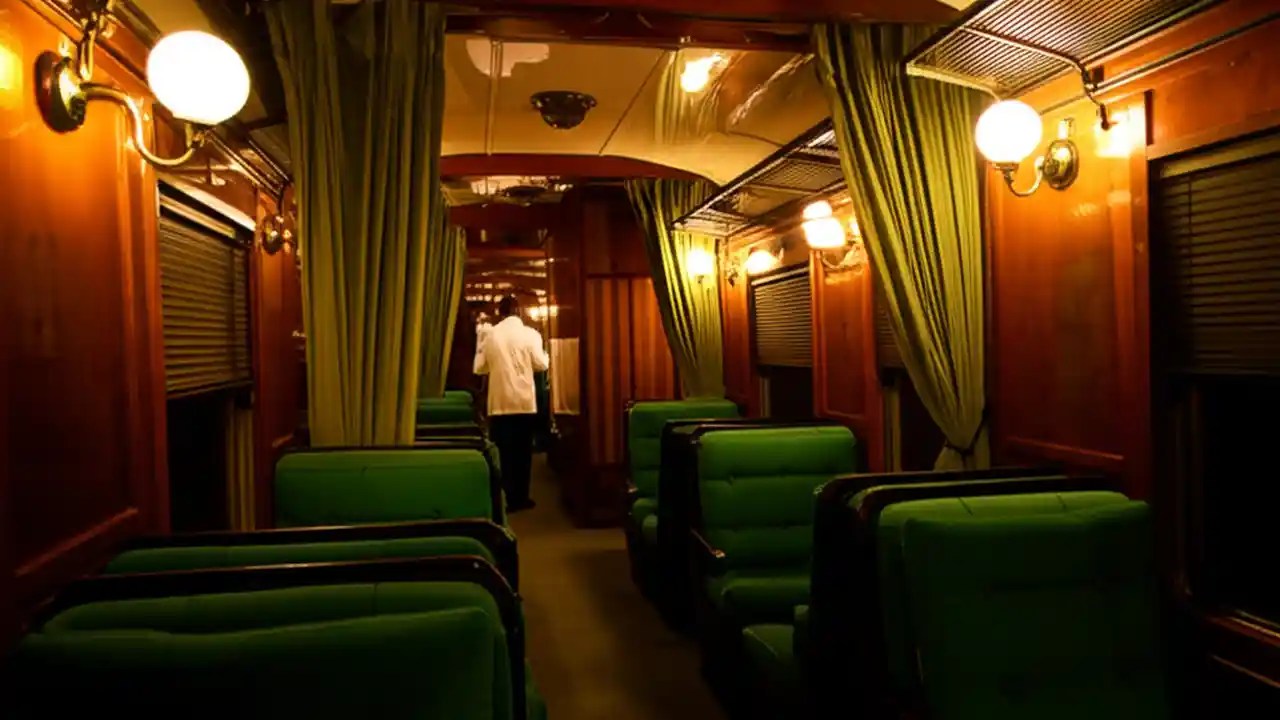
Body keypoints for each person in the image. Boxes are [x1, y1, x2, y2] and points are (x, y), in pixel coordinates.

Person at [474, 295, 549, 511]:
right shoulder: (530, 334)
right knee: (523, 453)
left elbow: (479, 368)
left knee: (503, 453)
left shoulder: (491, 336)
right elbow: (542, 364)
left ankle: (504, 497)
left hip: (499, 403)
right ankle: (521, 497)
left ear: (500, 313)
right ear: (519, 312)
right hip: (524, 402)